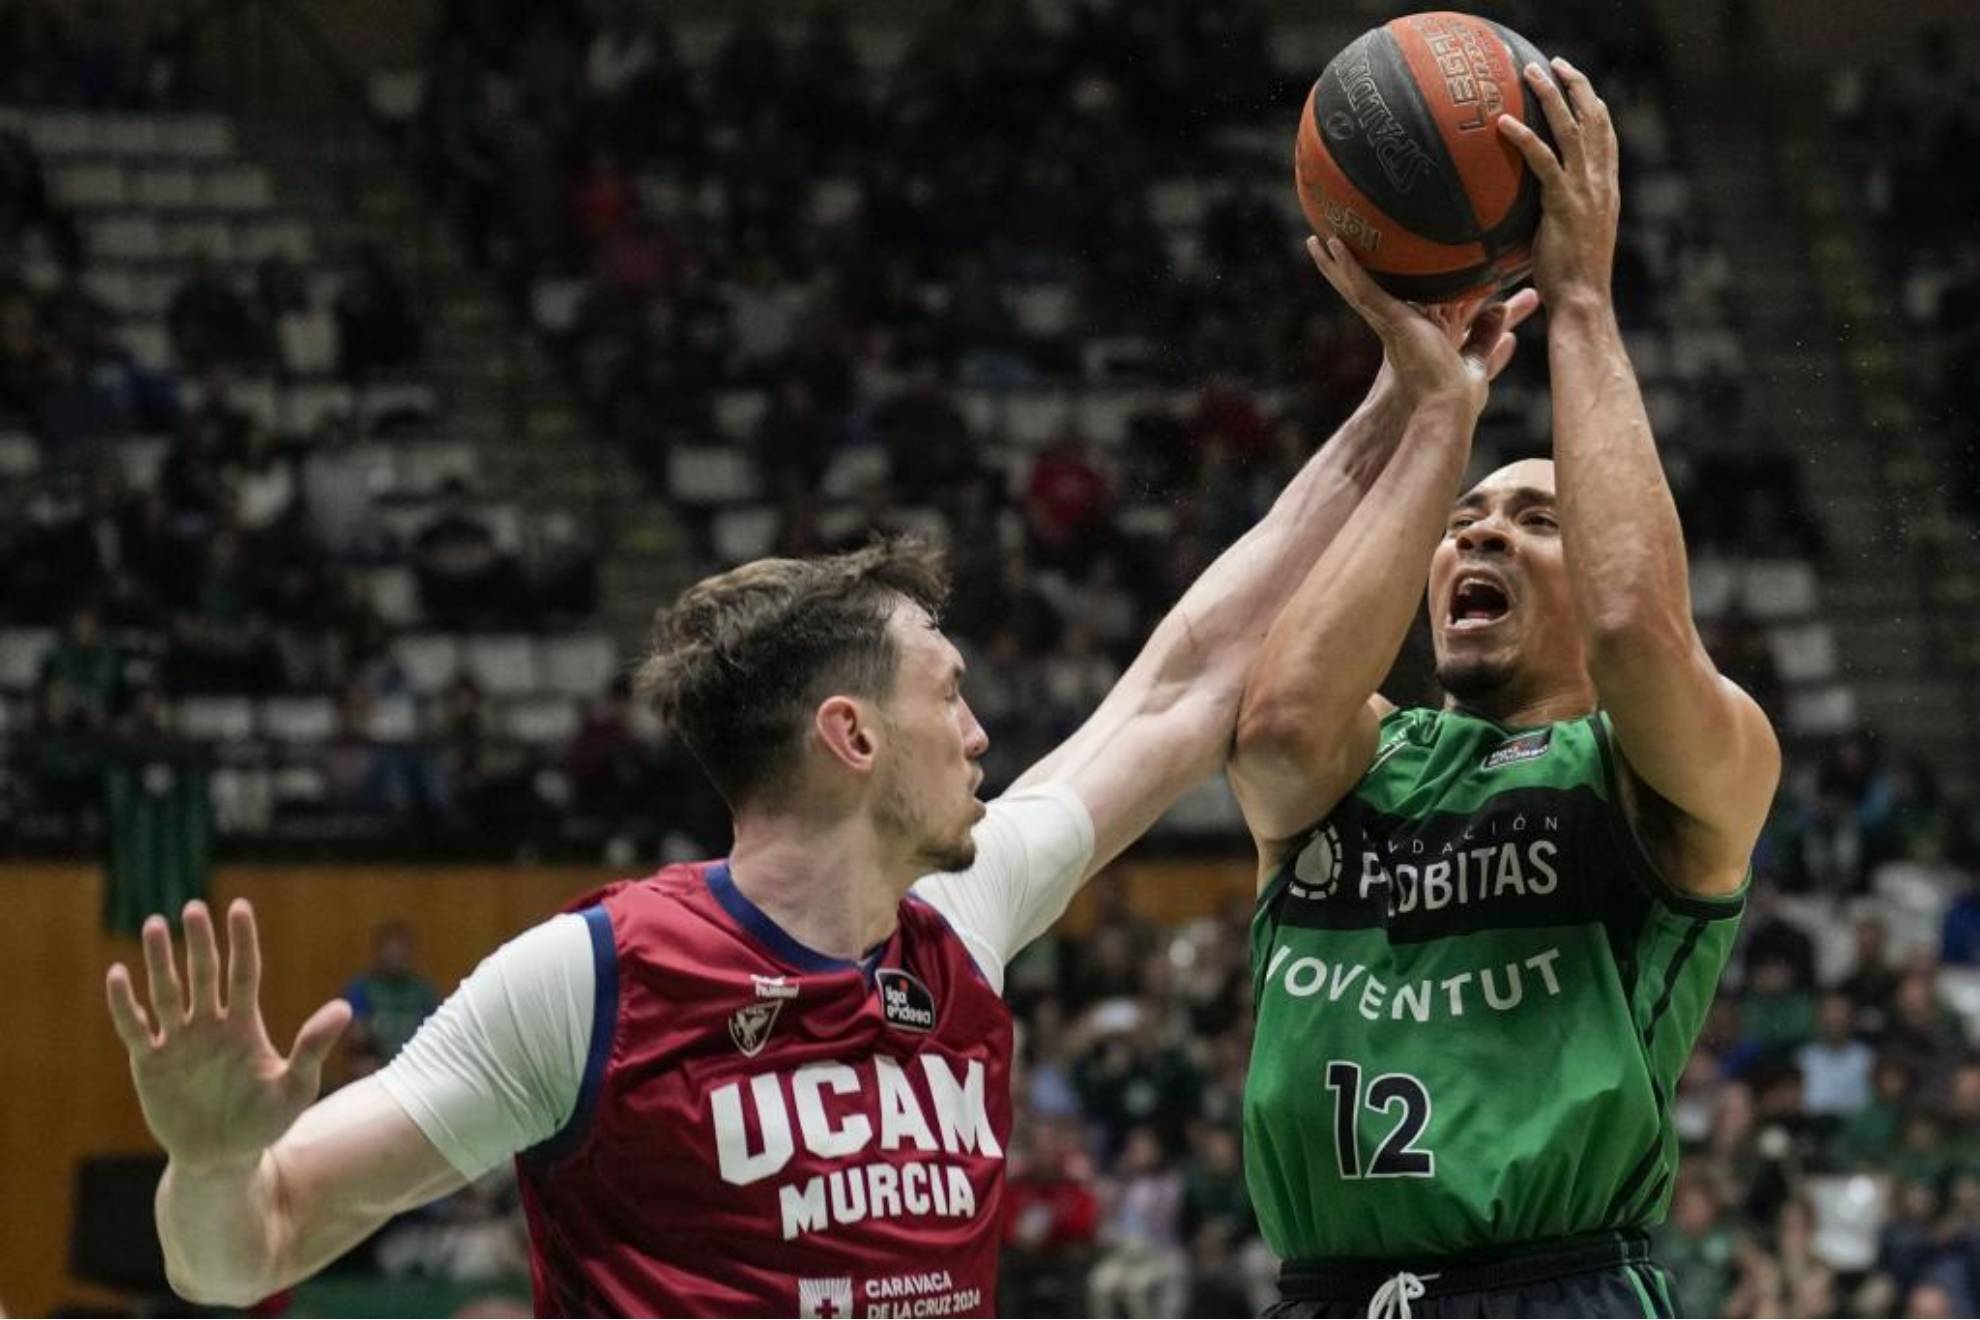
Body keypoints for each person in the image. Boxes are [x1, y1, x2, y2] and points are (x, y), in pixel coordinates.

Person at [103, 260, 1535, 1313]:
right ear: (851, 737)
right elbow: (247, 1252)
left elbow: (1185, 685)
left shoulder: (962, 911)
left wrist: (1411, 404)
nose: (982, 734)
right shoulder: (588, 983)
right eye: (949, 696)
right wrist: (212, 1164)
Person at [1228, 59, 1781, 1318]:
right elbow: (1274, 732)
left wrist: (1579, 300)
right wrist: (1439, 415)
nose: (1478, 533)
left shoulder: (1670, 768)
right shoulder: (1368, 756)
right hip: (1322, 1296)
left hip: (1552, 1285)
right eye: (1465, 520)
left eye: (1537, 520)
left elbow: (1636, 630)